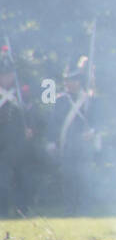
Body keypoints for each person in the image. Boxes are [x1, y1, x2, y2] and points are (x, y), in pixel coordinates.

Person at [46, 56, 97, 213]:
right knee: (68, 177)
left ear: (78, 82)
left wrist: (93, 132)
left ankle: (85, 208)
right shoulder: (61, 100)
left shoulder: (89, 100)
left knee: (85, 177)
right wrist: (51, 141)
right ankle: (70, 208)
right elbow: (54, 123)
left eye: (71, 80)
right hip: (67, 145)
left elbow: (98, 121)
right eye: (66, 80)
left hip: (84, 145)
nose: (68, 83)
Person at [0, 44, 38, 216]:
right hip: (2, 141)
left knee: (22, 176)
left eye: (9, 74)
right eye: (4, 75)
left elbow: (32, 112)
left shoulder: (22, 93)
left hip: (18, 141)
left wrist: (31, 129)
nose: (7, 78)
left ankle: (22, 208)